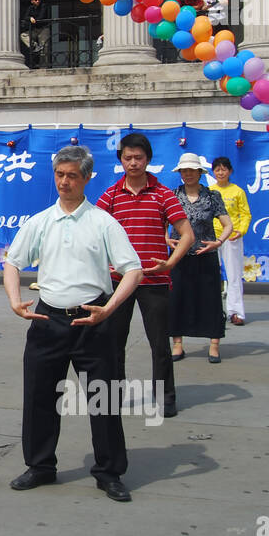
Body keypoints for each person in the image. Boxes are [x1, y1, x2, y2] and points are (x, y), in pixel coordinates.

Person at [4, 145, 143, 503]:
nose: (64, 182)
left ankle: (109, 472)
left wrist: (109, 309)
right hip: (48, 318)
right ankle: (39, 465)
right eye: (59, 175)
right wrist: (14, 300)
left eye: (72, 176)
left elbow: (133, 270)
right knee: (39, 396)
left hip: (93, 319)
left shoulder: (103, 222)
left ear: (86, 179)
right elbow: (12, 262)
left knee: (103, 399)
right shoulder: (40, 221)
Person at [96, 132, 194, 418]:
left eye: (139, 158)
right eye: (128, 158)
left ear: (148, 159)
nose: (133, 163)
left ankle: (166, 398)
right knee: (113, 342)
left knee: (159, 343)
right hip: (119, 281)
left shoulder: (163, 194)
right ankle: (112, 397)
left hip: (155, 280)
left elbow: (186, 234)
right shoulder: (111, 195)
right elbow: (93, 230)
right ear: (121, 160)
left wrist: (170, 263)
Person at [167, 154, 233, 363]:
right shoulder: (172, 195)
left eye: (191, 171)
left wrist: (219, 242)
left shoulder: (212, 196)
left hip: (206, 256)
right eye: (184, 171)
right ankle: (177, 344)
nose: (187, 174)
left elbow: (228, 225)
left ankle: (214, 345)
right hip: (179, 257)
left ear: (199, 173)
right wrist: (166, 238)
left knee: (211, 300)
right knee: (177, 298)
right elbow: (161, 221)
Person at [209, 156, 251, 327]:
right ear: (213, 172)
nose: (220, 172)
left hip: (232, 237)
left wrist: (241, 231)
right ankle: (213, 312)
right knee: (211, 276)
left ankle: (236, 312)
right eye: (217, 169)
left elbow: (245, 214)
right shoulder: (209, 190)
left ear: (230, 171)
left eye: (224, 169)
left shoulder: (237, 191)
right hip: (211, 238)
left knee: (233, 276)